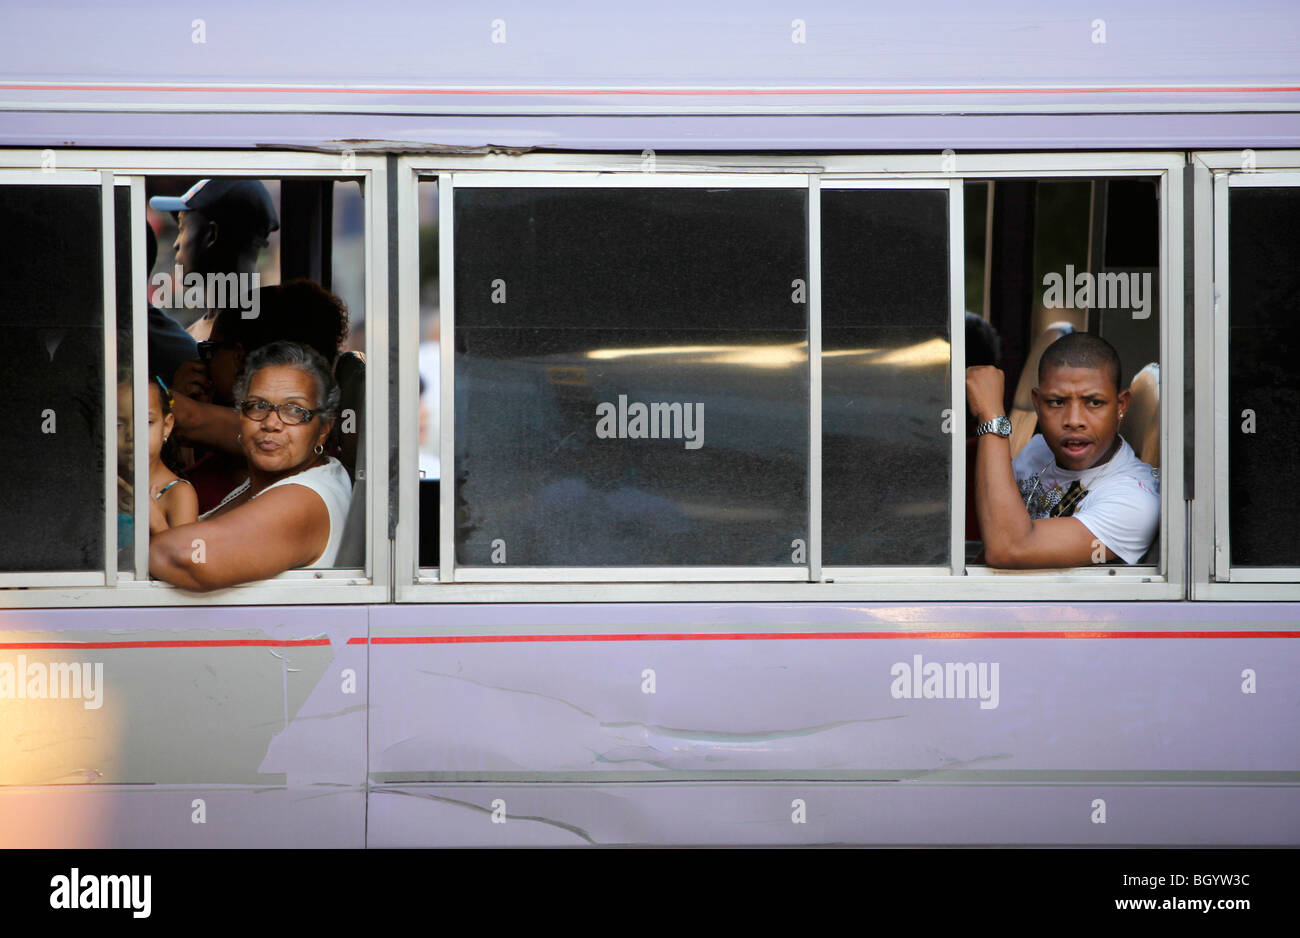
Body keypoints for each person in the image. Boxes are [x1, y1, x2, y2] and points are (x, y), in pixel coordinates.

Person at [149, 342, 352, 590]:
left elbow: (186, 558)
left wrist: (154, 525)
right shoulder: (273, 481)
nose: (271, 423)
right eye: (258, 405)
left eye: (294, 410)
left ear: (323, 429)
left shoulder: (303, 499)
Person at [965, 332, 1159, 568]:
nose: (1073, 420)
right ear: (1037, 403)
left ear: (1121, 405)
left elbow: (1008, 548)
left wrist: (991, 415)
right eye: (1056, 402)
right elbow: (993, 539)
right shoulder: (1038, 450)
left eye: (1094, 402)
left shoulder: (1135, 500)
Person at [168, 279, 350, 512]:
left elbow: (189, 420)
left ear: (240, 357)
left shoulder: (262, 429)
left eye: (209, 351)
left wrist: (168, 399)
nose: (203, 362)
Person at [149, 178, 279, 341]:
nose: (176, 243)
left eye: (182, 228)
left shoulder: (263, 337)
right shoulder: (272, 329)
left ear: (211, 235)